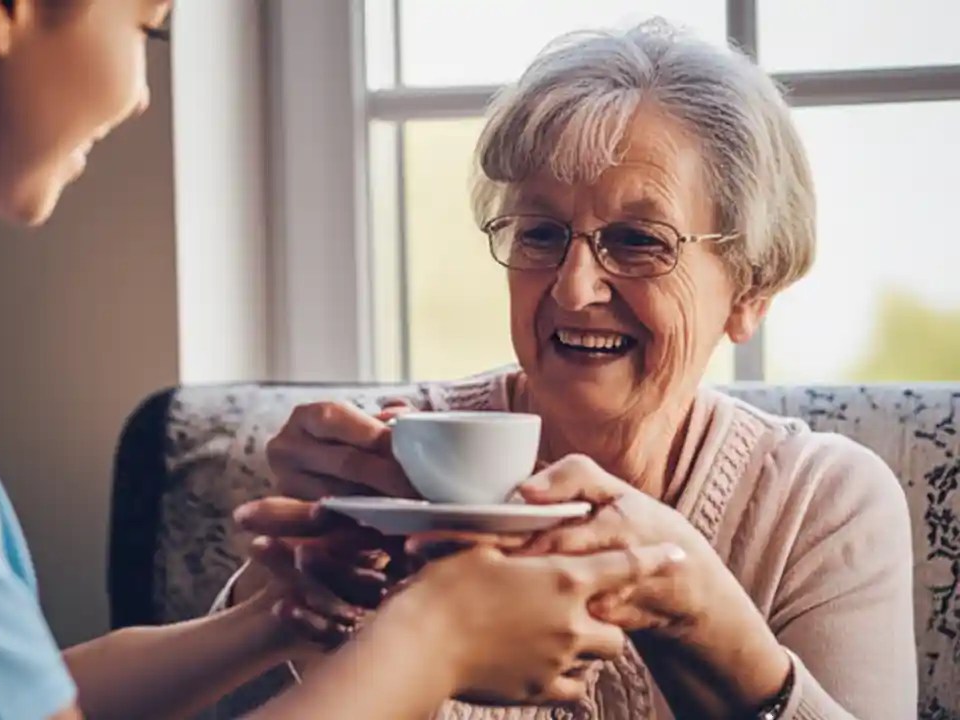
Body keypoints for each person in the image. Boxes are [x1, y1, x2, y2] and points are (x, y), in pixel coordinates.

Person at [0, 1, 688, 718]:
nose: (138, 98)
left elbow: (20, 699)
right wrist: (434, 640)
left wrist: (274, 621)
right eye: (145, 28)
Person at [222, 18, 917, 720]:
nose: (573, 288)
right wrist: (287, 588)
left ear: (750, 292)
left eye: (638, 240)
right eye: (541, 234)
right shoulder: (395, 472)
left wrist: (706, 617)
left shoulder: (818, 502)